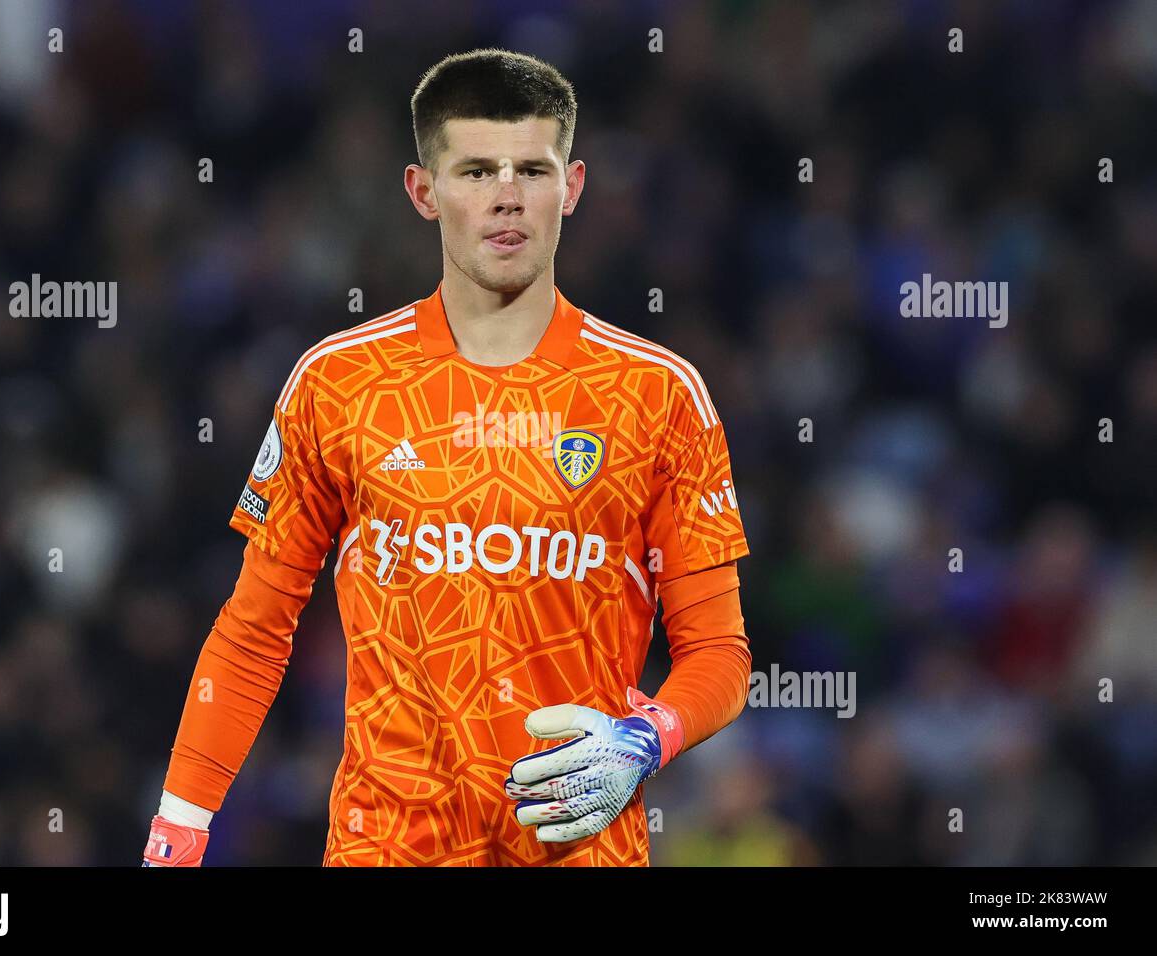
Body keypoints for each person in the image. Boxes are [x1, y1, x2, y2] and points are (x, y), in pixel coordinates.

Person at [142, 48, 752, 867]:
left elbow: (719, 652)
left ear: (572, 188)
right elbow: (254, 631)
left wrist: (646, 739)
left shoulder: (659, 394)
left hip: (579, 851)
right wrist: (179, 828)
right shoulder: (338, 382)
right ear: (423, 192)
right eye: (475, 172)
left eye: (533, 169)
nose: (507, 196)